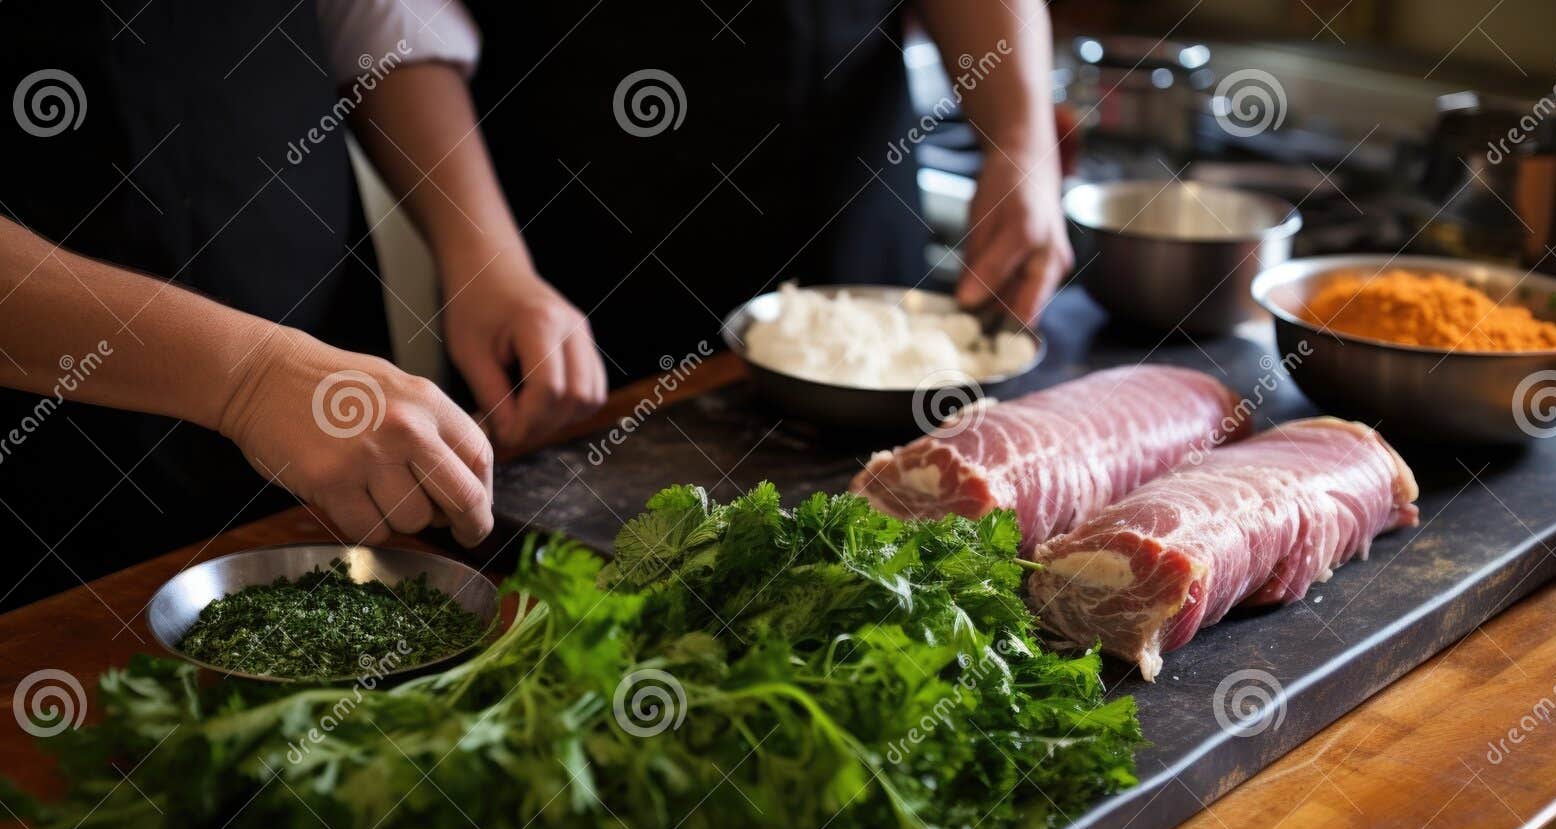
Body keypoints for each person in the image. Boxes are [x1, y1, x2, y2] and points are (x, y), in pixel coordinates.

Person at [0, 1, 598, 610]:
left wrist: (488, 260)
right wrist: (250, 378)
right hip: (47, 462)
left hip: (329, 367)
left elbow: (371, 15)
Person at [463, 1, 1071, 393]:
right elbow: (394, 24)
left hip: (854, 204)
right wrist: (486, 263)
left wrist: (1021, 143)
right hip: (582, 241)